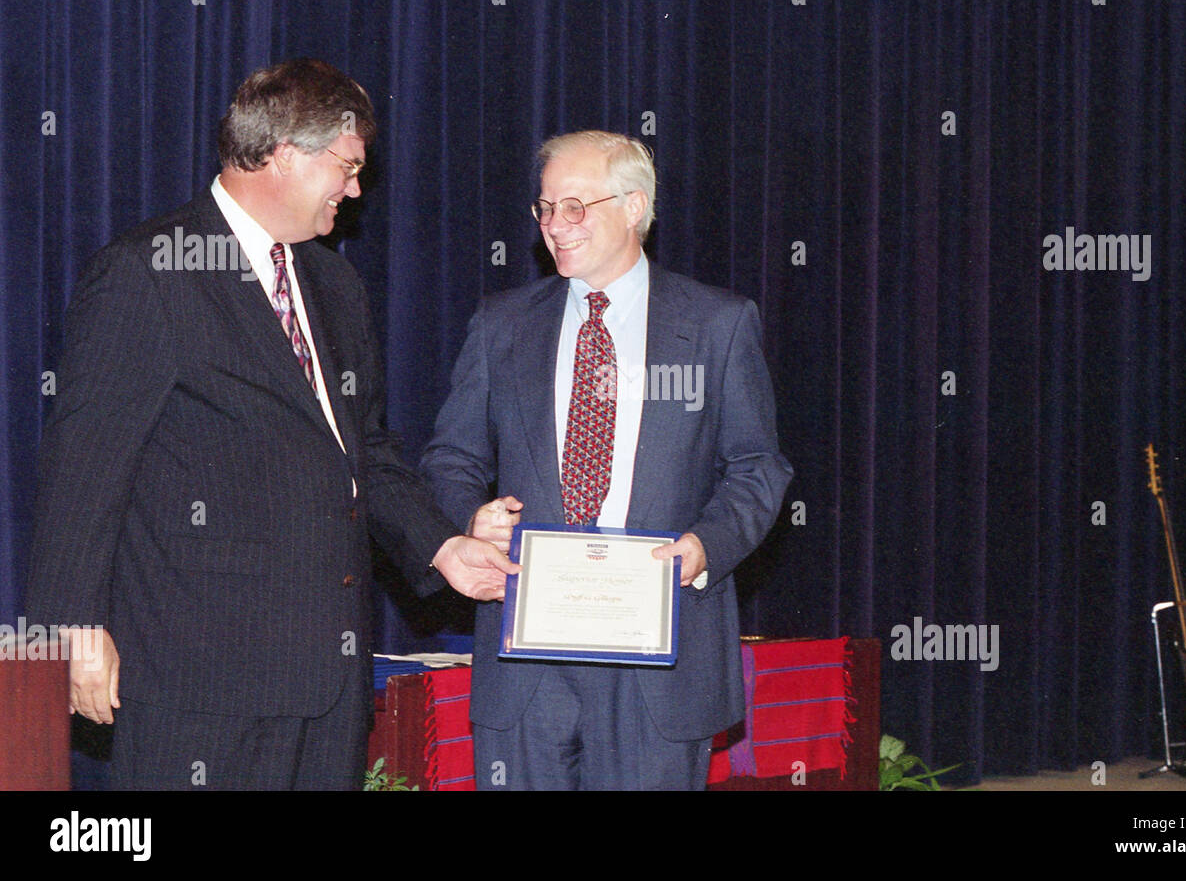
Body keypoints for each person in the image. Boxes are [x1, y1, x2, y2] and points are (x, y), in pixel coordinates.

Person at [24, 58, 514, 790]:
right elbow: (81, 473)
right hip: (200, 688)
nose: (355, 189)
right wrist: (72, 629)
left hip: (328, 689)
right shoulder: (148, 272)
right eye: (347, 167)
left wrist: (440, 545)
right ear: (285, 155)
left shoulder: (334, 283)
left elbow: (365, 453)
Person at [420, 130, 792, 789]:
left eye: (574, 206)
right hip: (525, 650)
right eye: (544, 208)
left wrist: (708, 545)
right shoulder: (502, 324)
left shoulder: (717, 324)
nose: (554, 226)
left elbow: (758, 464)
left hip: (659, 644)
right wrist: (468, 515)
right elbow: (451, 454)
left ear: (633, 206)